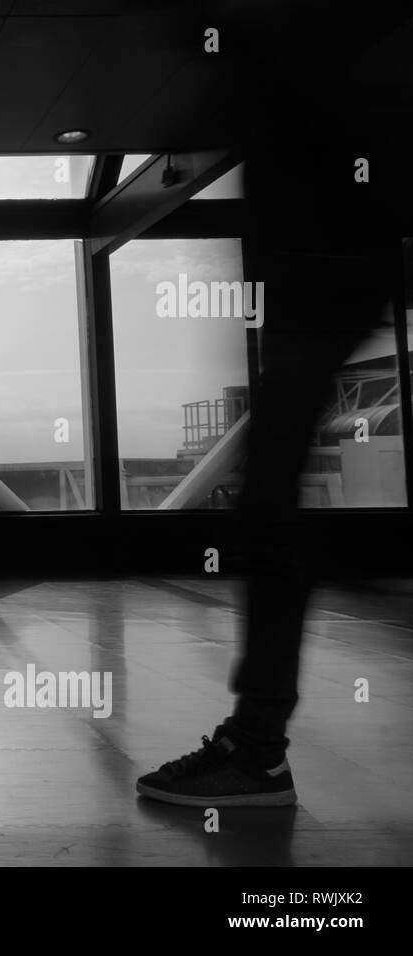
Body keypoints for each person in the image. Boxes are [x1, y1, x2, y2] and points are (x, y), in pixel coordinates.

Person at [136, 31, 396, 805]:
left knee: (269, 511)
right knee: (269, 507)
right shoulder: (316, 56)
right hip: (326, 283)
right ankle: (257, 742)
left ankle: (257, 748)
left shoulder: (288, 56)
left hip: (315, 289)